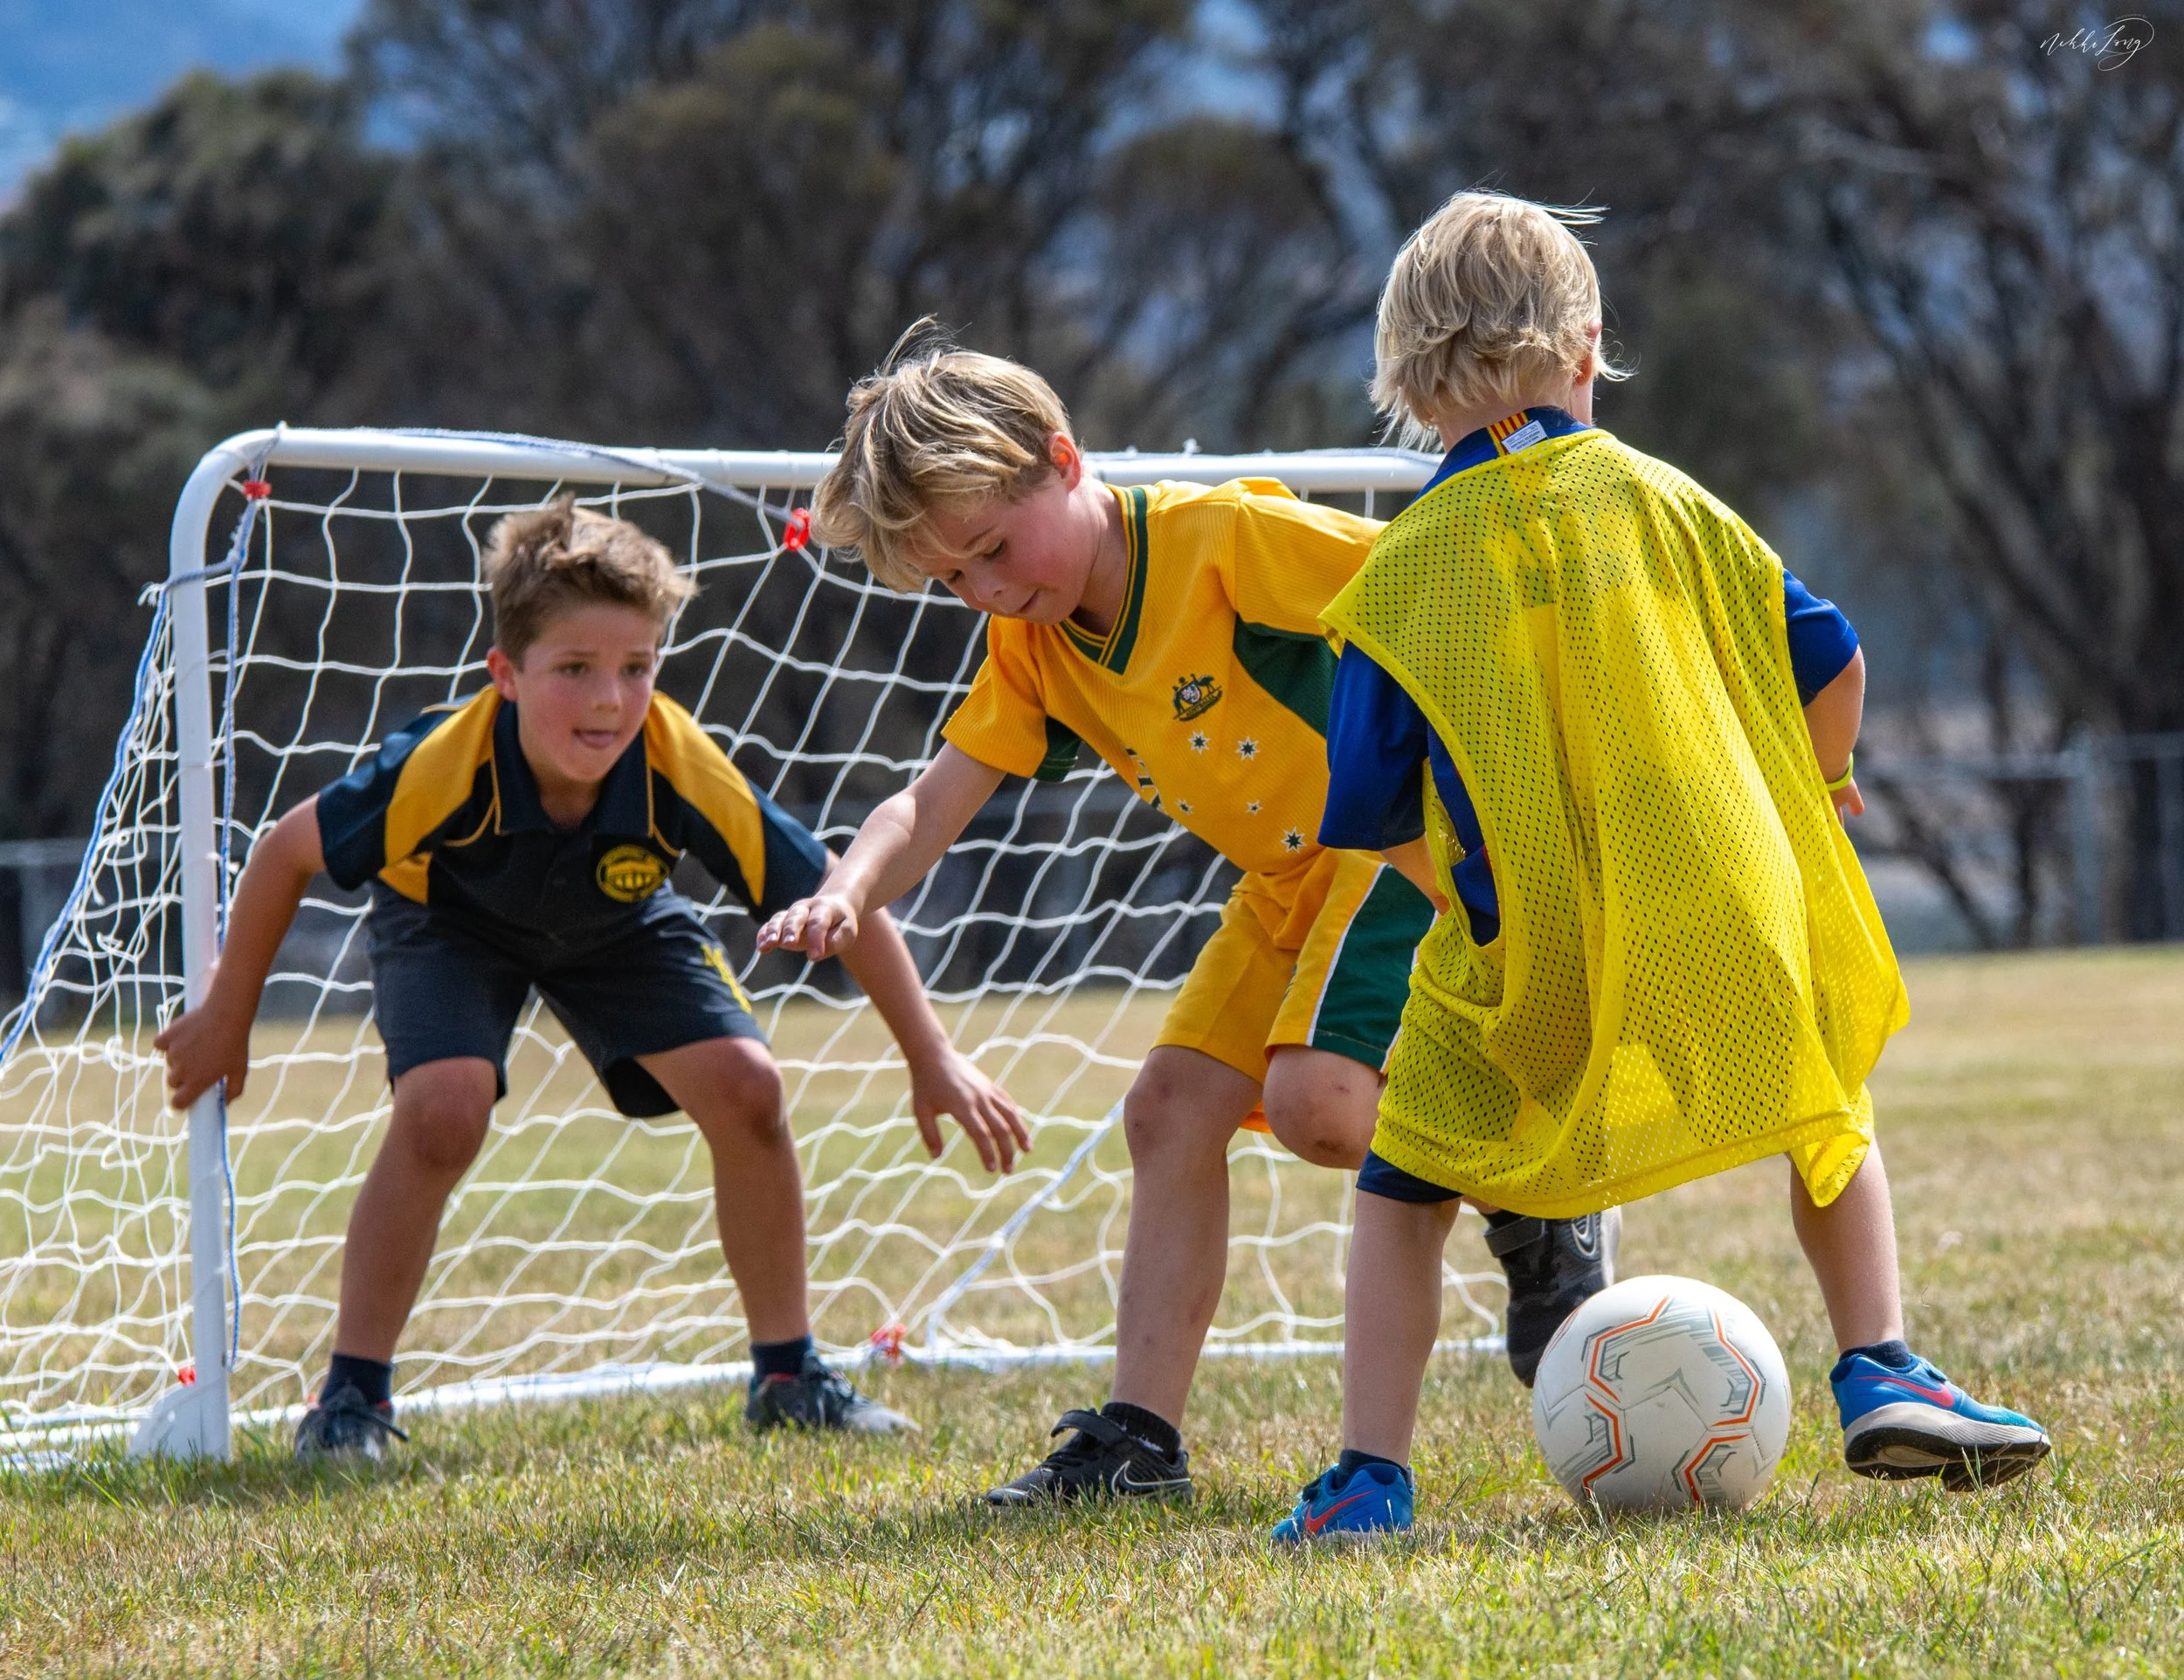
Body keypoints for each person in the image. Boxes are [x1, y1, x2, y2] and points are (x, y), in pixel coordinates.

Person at [1272, 192, 2051, 1543]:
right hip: (1719, 893)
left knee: (1405, 1188)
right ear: (1585, 348)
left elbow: (1369, 806)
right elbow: (1836, 655)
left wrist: (1468, 891)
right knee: (1824, 1108)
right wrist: (1816, 785)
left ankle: (1369, 1479)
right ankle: (1881, 1363)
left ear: (1405, 379)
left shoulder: (1401, 578)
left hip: (1526, 941)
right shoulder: (1670, 501)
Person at [757, 332, 1616, 1508]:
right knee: (1169, 1109)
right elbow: (930, 797)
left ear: (1063, 458)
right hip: (1284, 883)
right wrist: (847, 889)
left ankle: (1541, 1191)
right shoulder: (1036, 647)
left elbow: (1434, 582)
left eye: (996, 549)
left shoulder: (1223, 540)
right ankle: (1140, 1441)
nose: (992, 591)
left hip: (1400, 835)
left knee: (1319, 1102)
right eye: (957, 580)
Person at [156, 498, 1026, 1462]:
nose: (610, 700)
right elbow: (285, 852)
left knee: (750, 1089)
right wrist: (228, 1016)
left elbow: (833, 893)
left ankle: (788, 1376)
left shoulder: (675, 760)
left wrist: (932, 1054)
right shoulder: (443, 766)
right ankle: (351, 1402)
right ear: (506, 676)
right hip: (449, 918)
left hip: (615, 919)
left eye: (636, 669)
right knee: (445, 1110)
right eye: (575, 670)